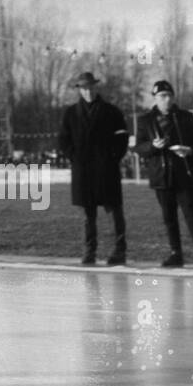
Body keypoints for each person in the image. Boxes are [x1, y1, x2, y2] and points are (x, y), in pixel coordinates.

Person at [134, 80, 193, 269]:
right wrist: (152, 146)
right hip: (161, 175)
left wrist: (190, 150)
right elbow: (138, 146)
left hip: (184, 173)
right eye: (162, 96)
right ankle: (176, 253)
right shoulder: (145, 120)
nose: (167, 100)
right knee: (169, 218)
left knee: (192, 216)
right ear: (155, 98)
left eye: (170, 96)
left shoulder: (186, 117)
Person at [58, 71, 130, 265]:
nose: (88, 92)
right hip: (84, 171)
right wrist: (75, 157)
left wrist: (113, 157)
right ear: (79, 90)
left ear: (96, 87)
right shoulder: (71, 113)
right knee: (87, 217)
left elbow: (122, 138)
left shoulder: (112, 111)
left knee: (114, 213)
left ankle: (119, 251)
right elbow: (63, 140)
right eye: (84, 88)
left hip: (107, 169)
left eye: (91, 88)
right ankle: (89, 251)